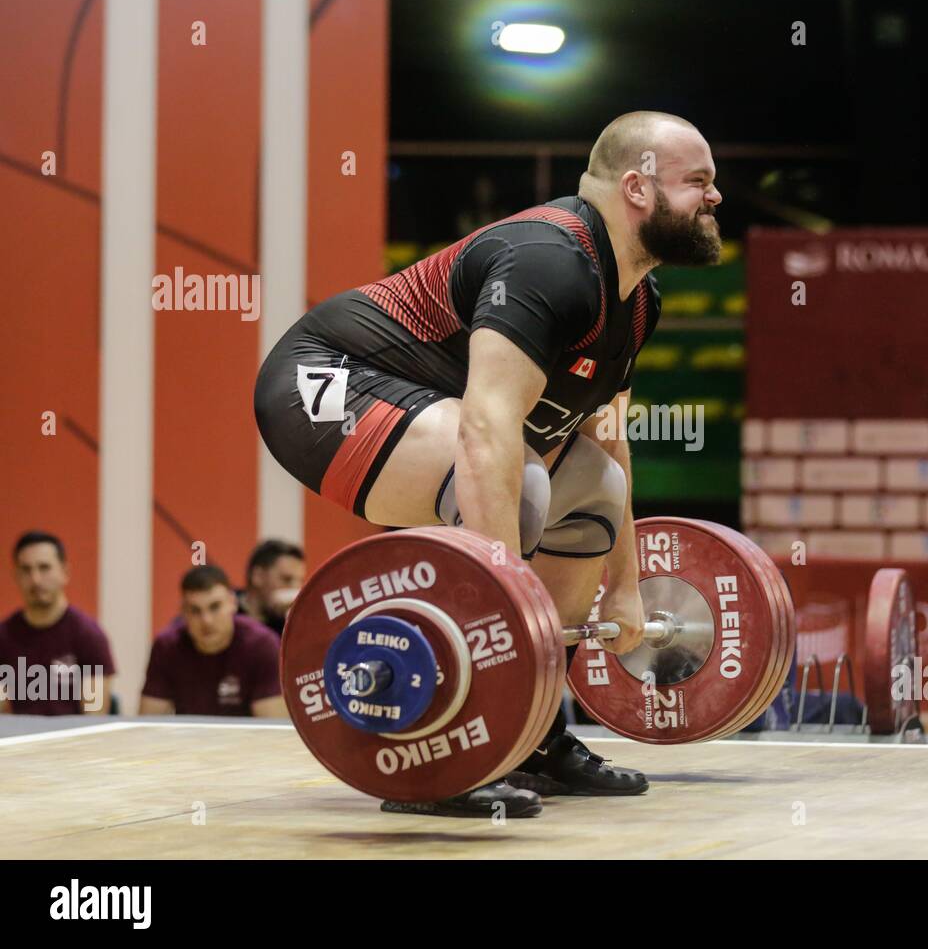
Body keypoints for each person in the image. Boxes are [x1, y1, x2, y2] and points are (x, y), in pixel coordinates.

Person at [255, 110, 722, 816]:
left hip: (428, 411)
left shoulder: (636, 303)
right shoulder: (550, 260)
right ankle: (439, 753)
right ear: (638, 188)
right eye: (700, 182)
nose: (716, 197)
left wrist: (625, 587)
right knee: (520, 479)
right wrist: (508, 610)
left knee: (591, 489)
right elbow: (487, 430)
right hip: (321, 383)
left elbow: (608, 442)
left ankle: (531, 739)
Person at [139, 565, 287, 717]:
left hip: (247, 740)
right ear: (183, 612)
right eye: (195, 610)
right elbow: (148, 723)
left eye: (215, 607)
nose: (206, 621)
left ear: (232, 603)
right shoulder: (166, 647)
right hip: (189, 739)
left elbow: (270, 727)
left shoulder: (262, 645)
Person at [0, 531, 114, 715]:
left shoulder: (88, 635)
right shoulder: (4, 638)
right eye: (26, 570)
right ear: (16, 576)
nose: (35, 579)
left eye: (44, 568)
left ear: (65, 572)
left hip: (72, 741)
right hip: (18, 740)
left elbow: (95, 716)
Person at [237, 539, 305, 635]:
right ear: (258, 576)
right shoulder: (226, 616)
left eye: (300, 581)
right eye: (286, 579)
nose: (296, 589)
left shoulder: (289, 628)